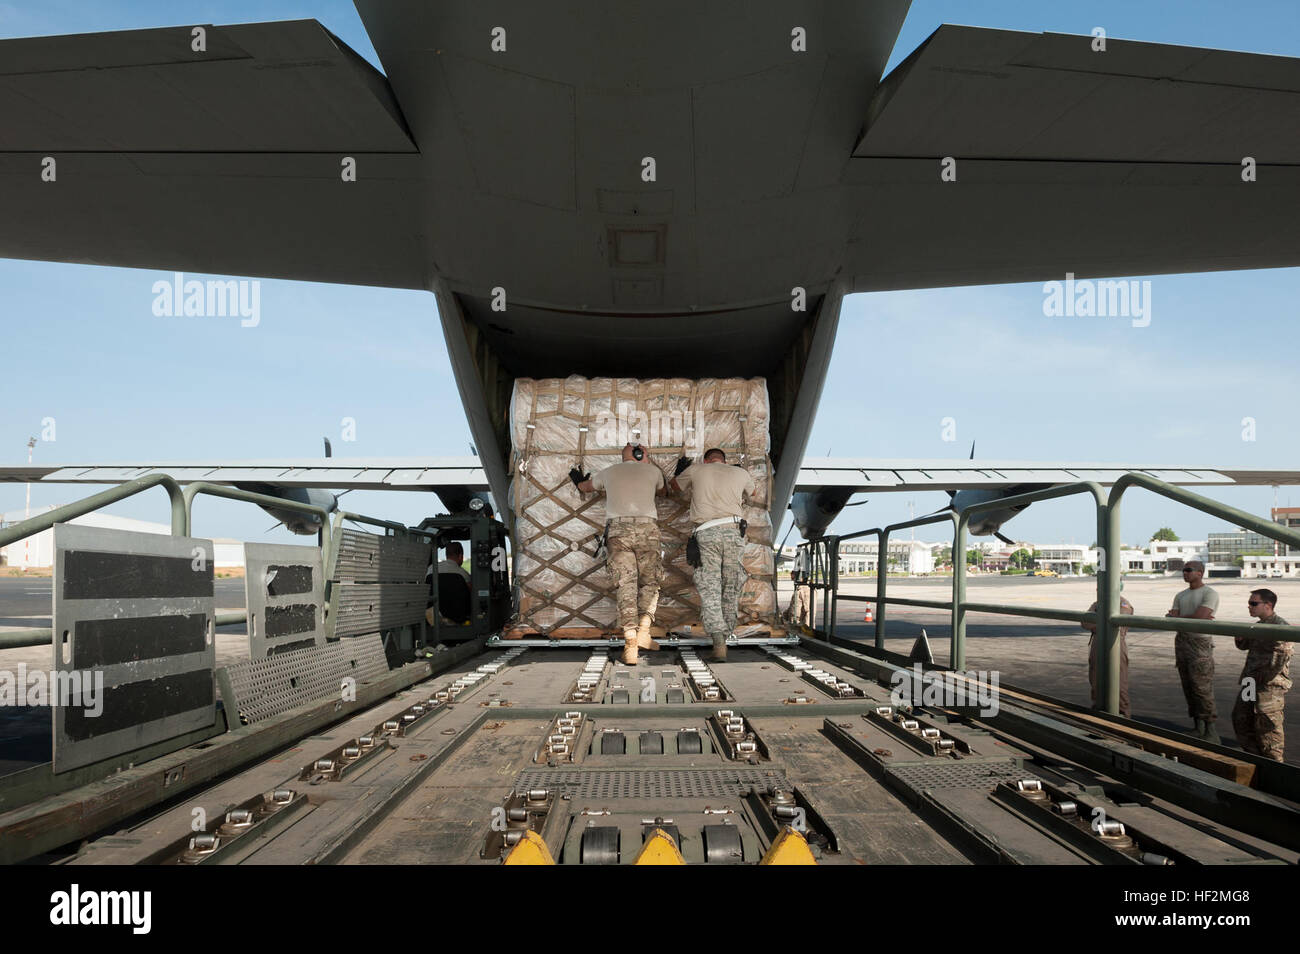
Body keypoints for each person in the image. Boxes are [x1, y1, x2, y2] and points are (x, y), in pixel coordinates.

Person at [571, 443, 668, 664]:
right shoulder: (653, 471)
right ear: (642, 455)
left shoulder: (610, 471)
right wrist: (647, 463)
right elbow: (663, 491)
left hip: (618, 531)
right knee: (651, 582)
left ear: (622, 456)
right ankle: (644, 630)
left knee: (626, 585)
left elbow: (585, 487)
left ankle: (631, 643)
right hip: (647, 530)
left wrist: (578, 480)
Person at [671, 448, 754, 661]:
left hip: (707, 533)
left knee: (710, 585)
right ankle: (726, 633)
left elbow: (674, 487)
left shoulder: (697, 469)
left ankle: (718, 641)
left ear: (706, 460)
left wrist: (680, 472)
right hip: (734, 532)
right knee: (731, 584)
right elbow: (752, 493)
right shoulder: (740, 473)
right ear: (724, 461)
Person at [1231, 588, 1292, 762]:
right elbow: (1244, 646)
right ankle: (1255, 759)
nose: (1249, 607)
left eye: (1253, 603)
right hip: (1250, 683)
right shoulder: (1258, 626)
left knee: (1268, 729)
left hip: (1269, 687)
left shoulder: (1280, 627)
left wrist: (1262, 676)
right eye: (1249, 603)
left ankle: (1275, 766)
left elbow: (1281, 659)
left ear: (1268, 605)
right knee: (1241, 719)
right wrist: (1240, 638)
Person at [1166, 560, 1220, 742]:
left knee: (1202, 688)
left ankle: (1211, 730)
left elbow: (1201, 617)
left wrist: (1179, 617)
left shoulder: (1209, 593)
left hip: (1200, 643)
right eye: (1184, 570)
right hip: (1182, 641)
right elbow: (1175, 618)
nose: (1185, 573)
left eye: (1189, 570)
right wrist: (1183, 618)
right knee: (1188, 685)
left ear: (1200, 572)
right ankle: (1198, 726)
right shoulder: (1180, 595)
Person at [1081, 586, 1133, 718]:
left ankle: (1123, 718)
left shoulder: (1122, 603)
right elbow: (1084, 622)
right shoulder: (1096, 604)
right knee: (1096, 682)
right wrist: (1103, 624)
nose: (1099, 590)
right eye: (1098, 588)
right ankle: (1099, 716)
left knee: (1119, 685)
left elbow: (1117, 625)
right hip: (1097, 644)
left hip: (1115, 644)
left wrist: (1098, 623)